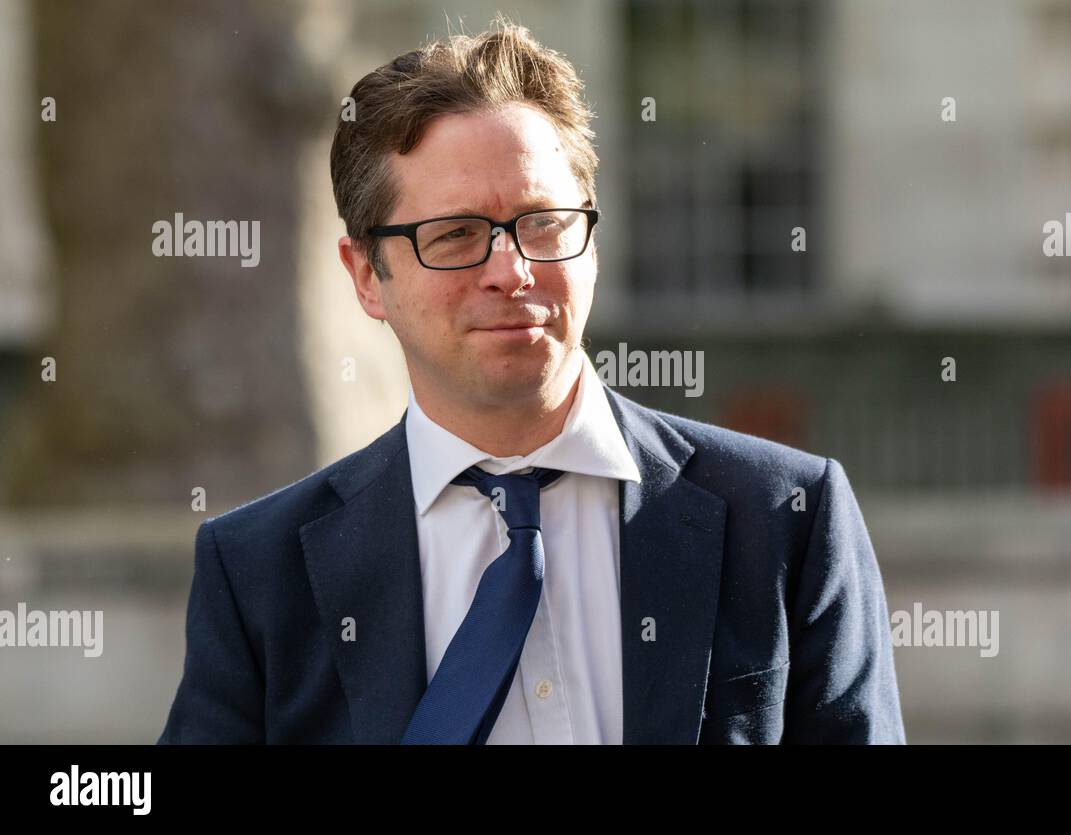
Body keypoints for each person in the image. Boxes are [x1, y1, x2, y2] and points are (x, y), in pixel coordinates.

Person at [158, 16, 904, 745]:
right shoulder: (259, 570)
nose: (511, 272)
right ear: (366, 278)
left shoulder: (785, 519)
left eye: (543, 223)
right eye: (454, 235)